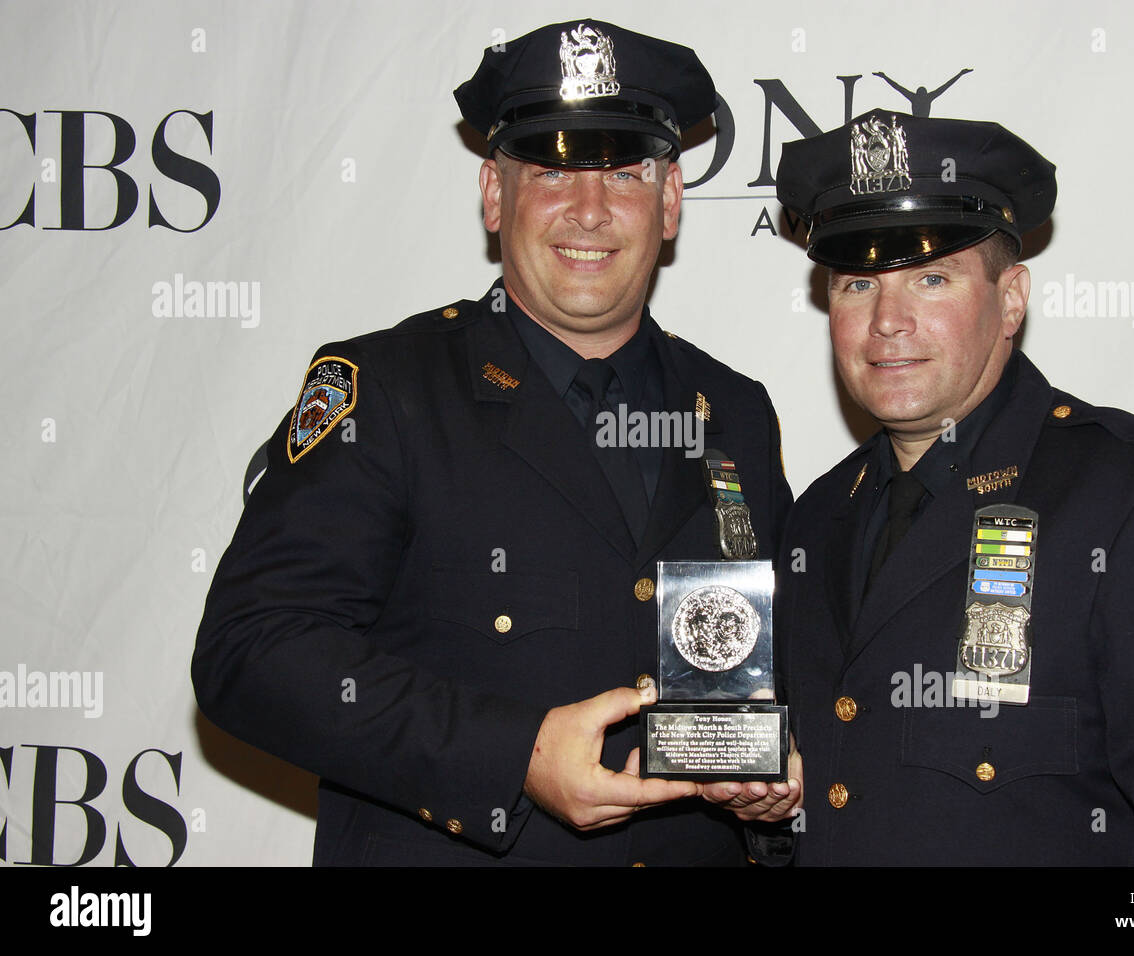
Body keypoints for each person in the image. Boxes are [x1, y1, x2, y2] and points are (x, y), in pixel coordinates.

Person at [192, 19, 798, 866]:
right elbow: (251, 653)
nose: (589, 209)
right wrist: (510, 755)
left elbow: (768, 671)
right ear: (493, 193)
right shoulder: (389, 391)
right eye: (551, 170)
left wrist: (771, 796)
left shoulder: (735, 410)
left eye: (625, 172)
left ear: (669, 203)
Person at [772, 109, 1134, 864]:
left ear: (1011, 297)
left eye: (931, 277)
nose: (888, 320)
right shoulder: (819, 521)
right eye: (857, 283)